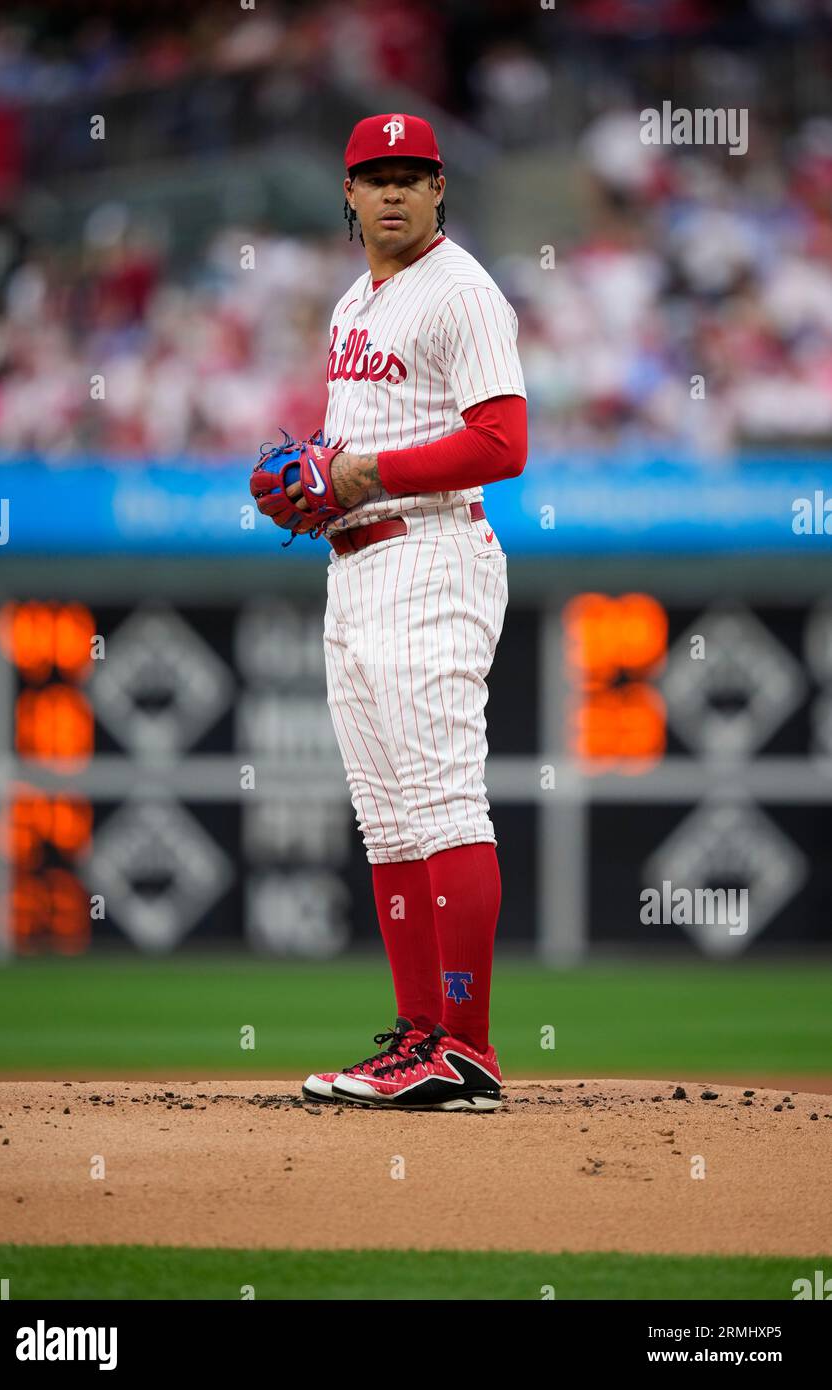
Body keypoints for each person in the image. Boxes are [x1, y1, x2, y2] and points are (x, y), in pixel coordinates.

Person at [293, 113, 528, 1109]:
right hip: (357, 569)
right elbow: (358, 446)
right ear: (346, 195)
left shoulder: (462, 291)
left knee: (439, 805)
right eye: (373, 176)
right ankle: (419, 1039)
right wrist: (312, 476)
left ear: (440, 190)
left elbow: (501, 440)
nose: (391, 192)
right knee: (387, 824)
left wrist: (361, 471)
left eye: (411, 175)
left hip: (431, 557)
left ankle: (465, 1045)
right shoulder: (355, 298)